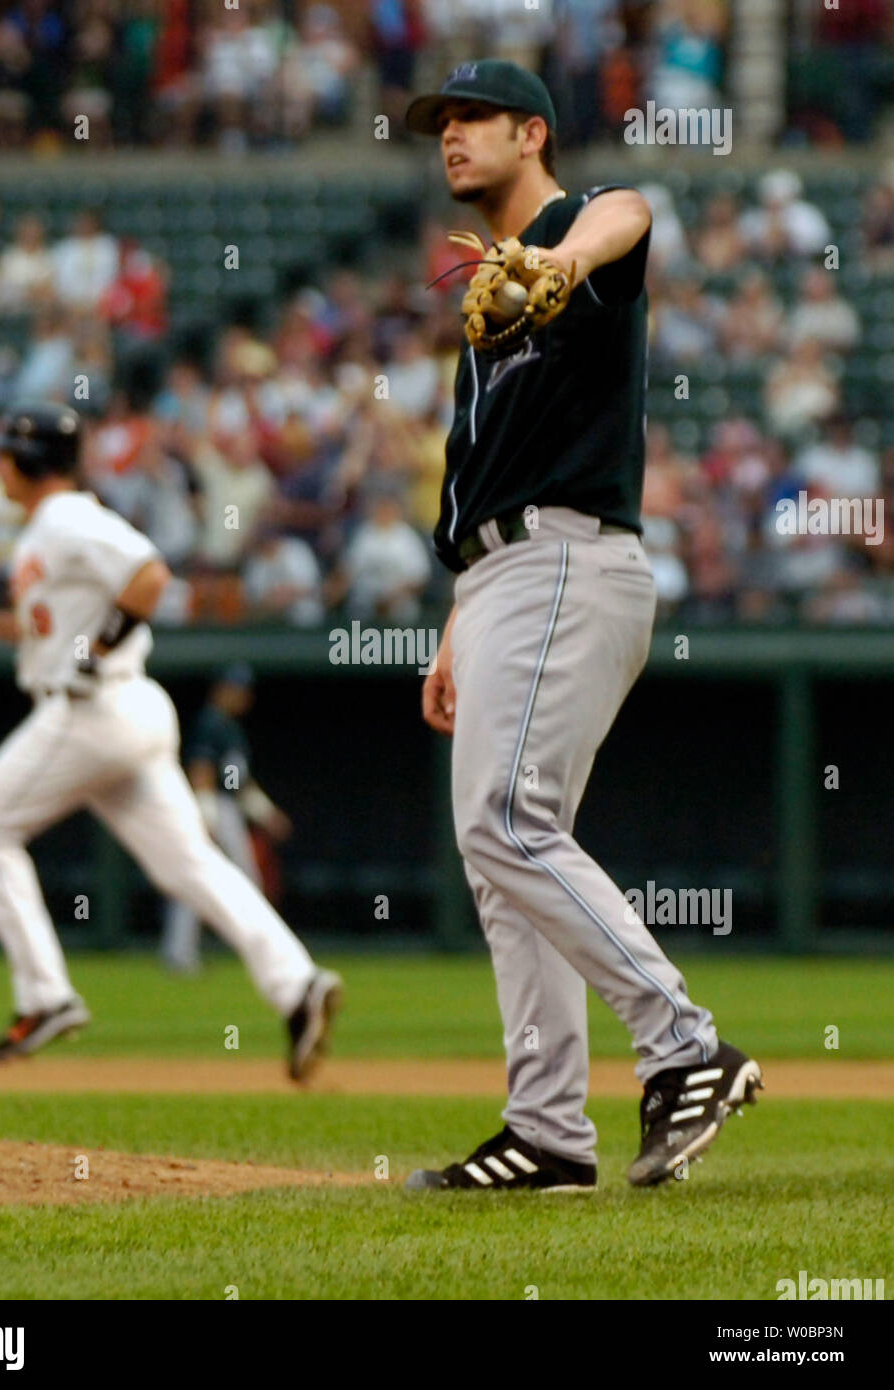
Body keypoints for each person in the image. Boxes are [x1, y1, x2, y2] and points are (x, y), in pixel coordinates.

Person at [403, 59, 762, 1192]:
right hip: (500, 577)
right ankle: (547, 1131)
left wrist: (559, 259)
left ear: (532, 133)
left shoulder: (574, 234)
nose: (451, 135)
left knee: (507, 822)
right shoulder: (486, 297)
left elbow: (631, 210)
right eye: (441, 122)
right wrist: (458, 618)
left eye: (473, 118)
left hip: (567, 557)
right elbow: (483, 477)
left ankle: (685, 1047)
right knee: (502, 853)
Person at [0, 402, 341, 1077]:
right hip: (126, 713)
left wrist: (96, 651)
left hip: (91, 710)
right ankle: (297, 983)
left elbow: (149, 575)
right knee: (191, 865)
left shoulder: (67, 516)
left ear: (31, 461)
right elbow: (50, 629)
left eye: (7, 453)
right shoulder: (47, 529)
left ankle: (46, 996)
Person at [161, 664, 292, 974]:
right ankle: (182, 952)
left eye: (244, 690)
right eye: (236, 689)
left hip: (228, 807)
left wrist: (266, 813)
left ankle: (254, 950)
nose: (242, 696)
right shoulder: (210, 723)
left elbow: (239, 783)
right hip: (212, 806)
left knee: (230, 878)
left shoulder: (231, 728)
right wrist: (206, 815)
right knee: (212, 877)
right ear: (220, 689)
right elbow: (202, 771)